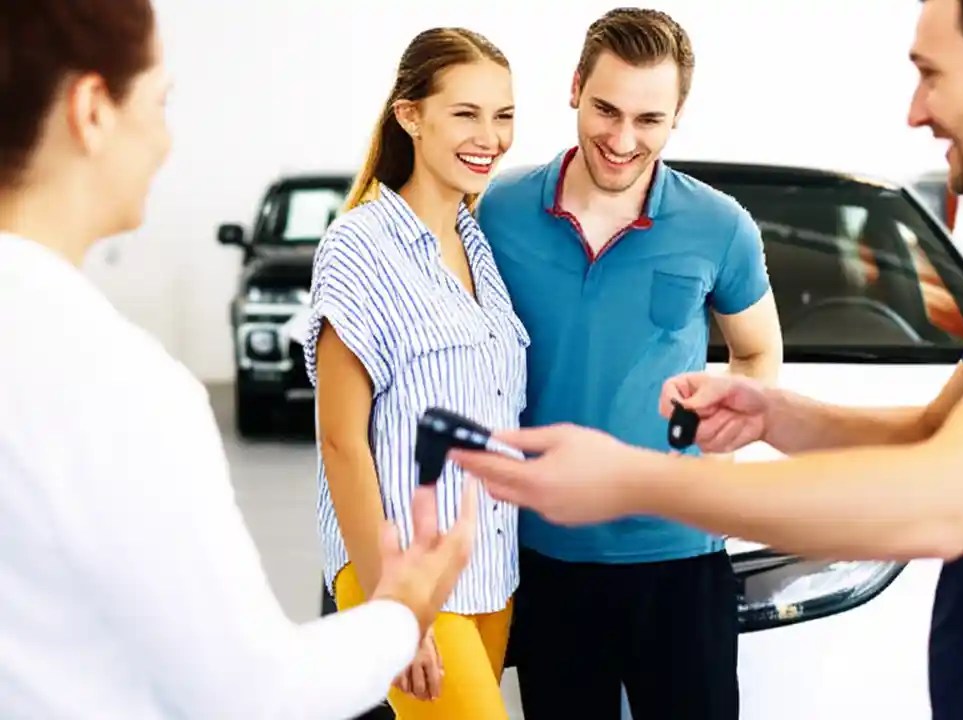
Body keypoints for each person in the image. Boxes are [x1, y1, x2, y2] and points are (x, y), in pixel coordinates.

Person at [456, 1, 963, 719]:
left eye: (931, 74)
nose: (915, 111)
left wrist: (636, 480)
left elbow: (947, 496)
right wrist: (779, 414)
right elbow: (940, 432)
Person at [0, 2, 478, 719]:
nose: (166, 140)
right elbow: (253, 694)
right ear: (93, 111)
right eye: (160, 102)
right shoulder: (118, 387)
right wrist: (404, 608)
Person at [473, 7, 782, 719]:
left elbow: (758, 350)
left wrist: (714, 460)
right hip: (546, 560)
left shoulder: (719, 225)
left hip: (681, 558)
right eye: (605, 109)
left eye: (649, 120)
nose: (620, 139)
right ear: (575, 87)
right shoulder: (498, 211)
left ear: (677, 117)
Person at [303, 26, 527, 720]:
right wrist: (393, 605)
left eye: (504, 115)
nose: (489, 135)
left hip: (490, 576)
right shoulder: (358, 247)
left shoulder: (478, 245)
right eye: (466, 113)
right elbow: (341, 441)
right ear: (411, 116)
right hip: (403, 579)